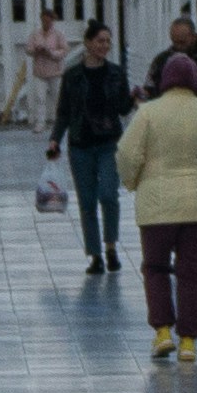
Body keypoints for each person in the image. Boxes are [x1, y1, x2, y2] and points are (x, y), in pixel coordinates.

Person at [117, 50, 197, 360]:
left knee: (156, 268)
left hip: (157, 205)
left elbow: (127, 154)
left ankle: (161, 333)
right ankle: (188, 340)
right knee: (193, 273)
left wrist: (133, 182)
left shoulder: (147, 114)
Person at [52, 26, 137, 274]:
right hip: (81, 144)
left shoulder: (116, 74)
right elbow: (64, 112)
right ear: (88, 43)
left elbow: (122, 109)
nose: (104, 45)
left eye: (108, 41)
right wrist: (55, 139)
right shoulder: (72, 76)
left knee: (109, 195)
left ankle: (111, 246)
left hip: (109, 143)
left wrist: (132, 98)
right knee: (87, 202)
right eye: (100, 41)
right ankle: (95, 255)